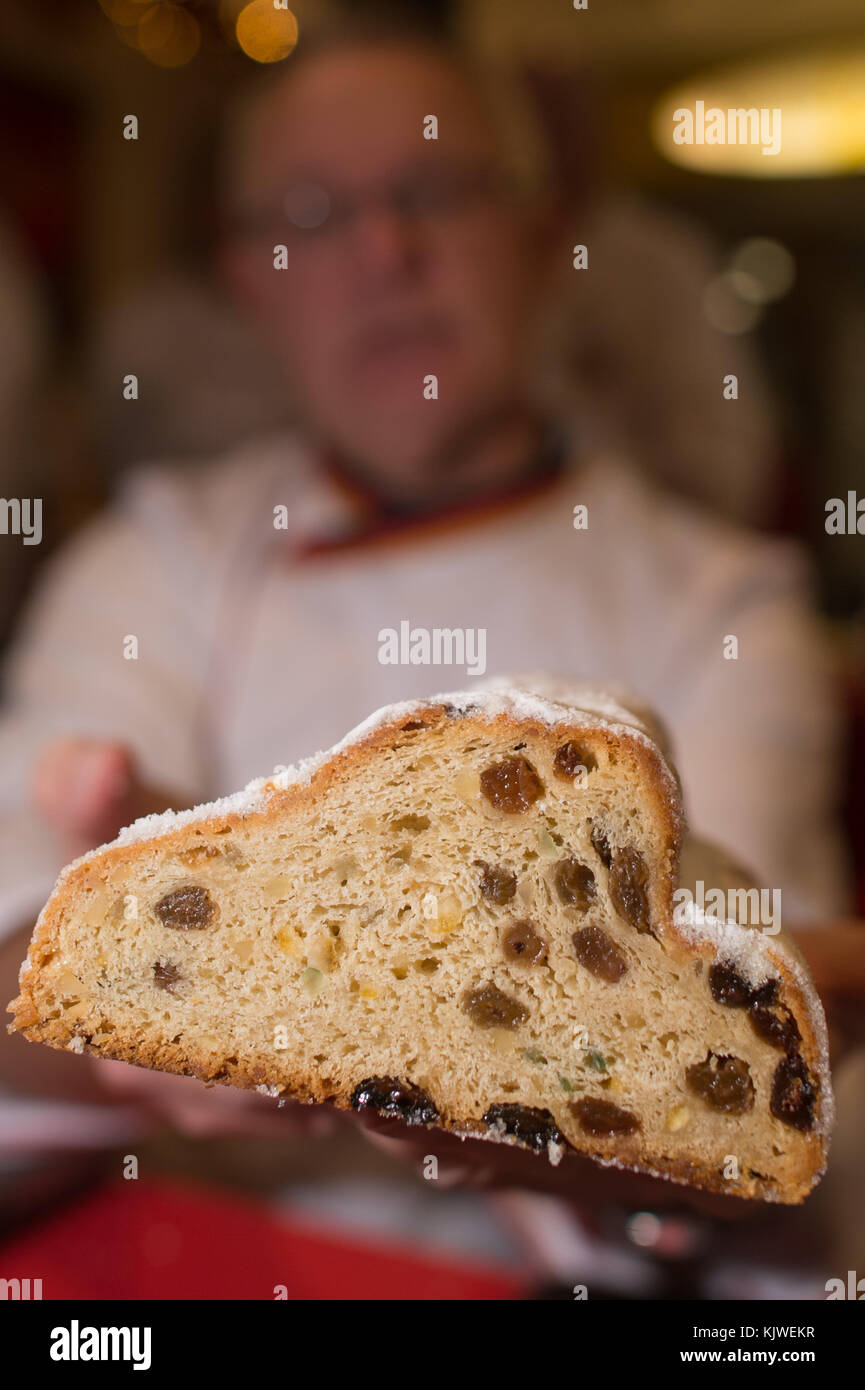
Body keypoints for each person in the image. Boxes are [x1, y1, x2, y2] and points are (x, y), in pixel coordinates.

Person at [0, 13, 861, 1251]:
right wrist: (169, 950)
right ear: (247, 279)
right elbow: (13, 963)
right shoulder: (157, 554)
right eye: (308, 215)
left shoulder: (725, 601)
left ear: (548, 231)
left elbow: (748, 1078)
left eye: (437, 191)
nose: (384, 253)